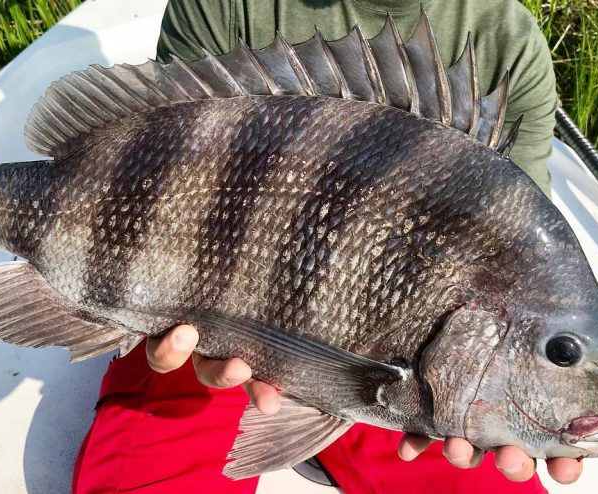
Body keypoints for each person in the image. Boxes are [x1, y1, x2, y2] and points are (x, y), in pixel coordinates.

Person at [72, 1, 571, 492]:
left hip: (407, 379)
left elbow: (526, 260)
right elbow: (161, 157)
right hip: (208, 317)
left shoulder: (507, 39)